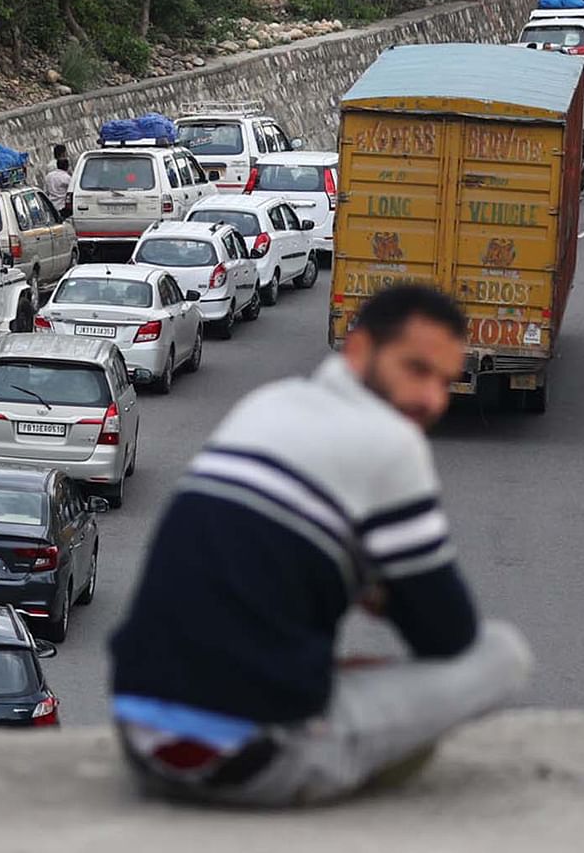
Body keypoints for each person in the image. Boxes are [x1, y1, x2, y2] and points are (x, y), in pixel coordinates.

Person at [108, 284, 531, 807]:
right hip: (255, 762)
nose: (433, 400)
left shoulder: (267, 405)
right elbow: (448, 637)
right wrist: (377, 589)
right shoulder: (391, 442)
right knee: (504, 654)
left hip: (140, 742)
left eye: (445, 381)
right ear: (359, 350)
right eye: (417, 370)